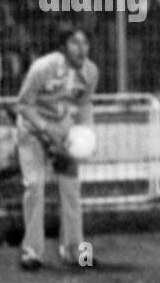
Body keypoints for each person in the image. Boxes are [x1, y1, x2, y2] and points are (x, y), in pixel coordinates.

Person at [14, 25, 98, 270]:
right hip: (32, 130)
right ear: (63, 47)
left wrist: (88, 135)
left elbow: (84, 105)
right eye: (75, 43)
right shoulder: (43, 67)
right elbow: (22, 105)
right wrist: (44, 129)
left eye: (85, 43)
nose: (81, 49)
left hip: (63, 133)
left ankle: (76, 252)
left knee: (71, 190)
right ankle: (32, 253)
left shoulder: (91, 72)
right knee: (34, 186)